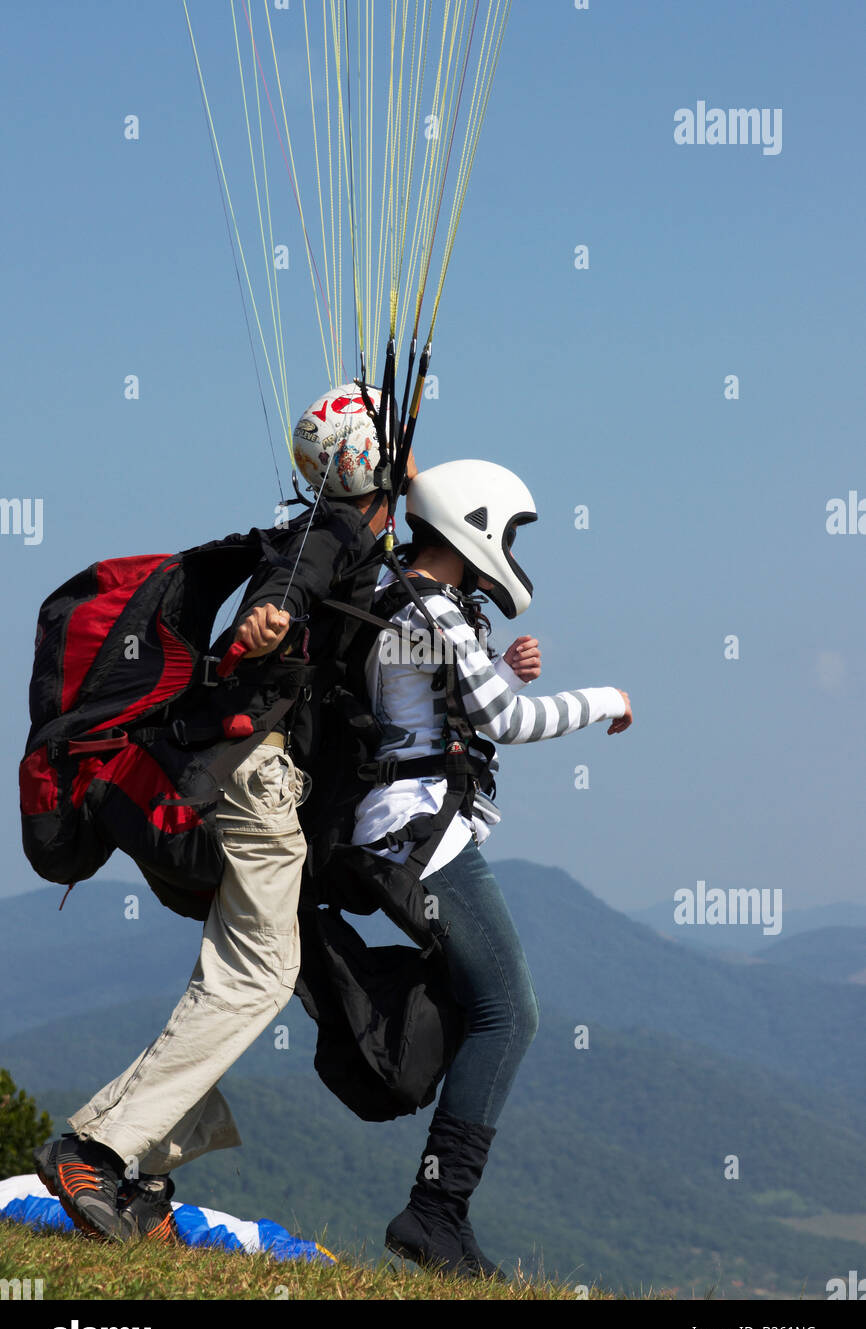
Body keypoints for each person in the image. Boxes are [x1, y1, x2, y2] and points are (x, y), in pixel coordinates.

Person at [33, 383, 397, 1243]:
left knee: (236, 978)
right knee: (258, 976)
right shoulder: (331, 532)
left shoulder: (337, 529)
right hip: (252, 779)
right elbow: (289, 586)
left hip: (215, 778)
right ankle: (99, 1149)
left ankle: (141, 1179)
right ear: (372, 458)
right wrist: (272, 618)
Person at [350, 458, 633, 1278]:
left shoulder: (402, 597)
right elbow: (505, 722)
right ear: (475, 525)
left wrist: (499, 667)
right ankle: (434, 1215)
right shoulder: (432, 608)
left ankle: (443, 1216)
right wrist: (607, 698)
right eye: (504, 531)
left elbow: (428, 710)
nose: (507, 548)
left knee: (491, 1009)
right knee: (511, 1013)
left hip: (399, 829)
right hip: (425, 838)